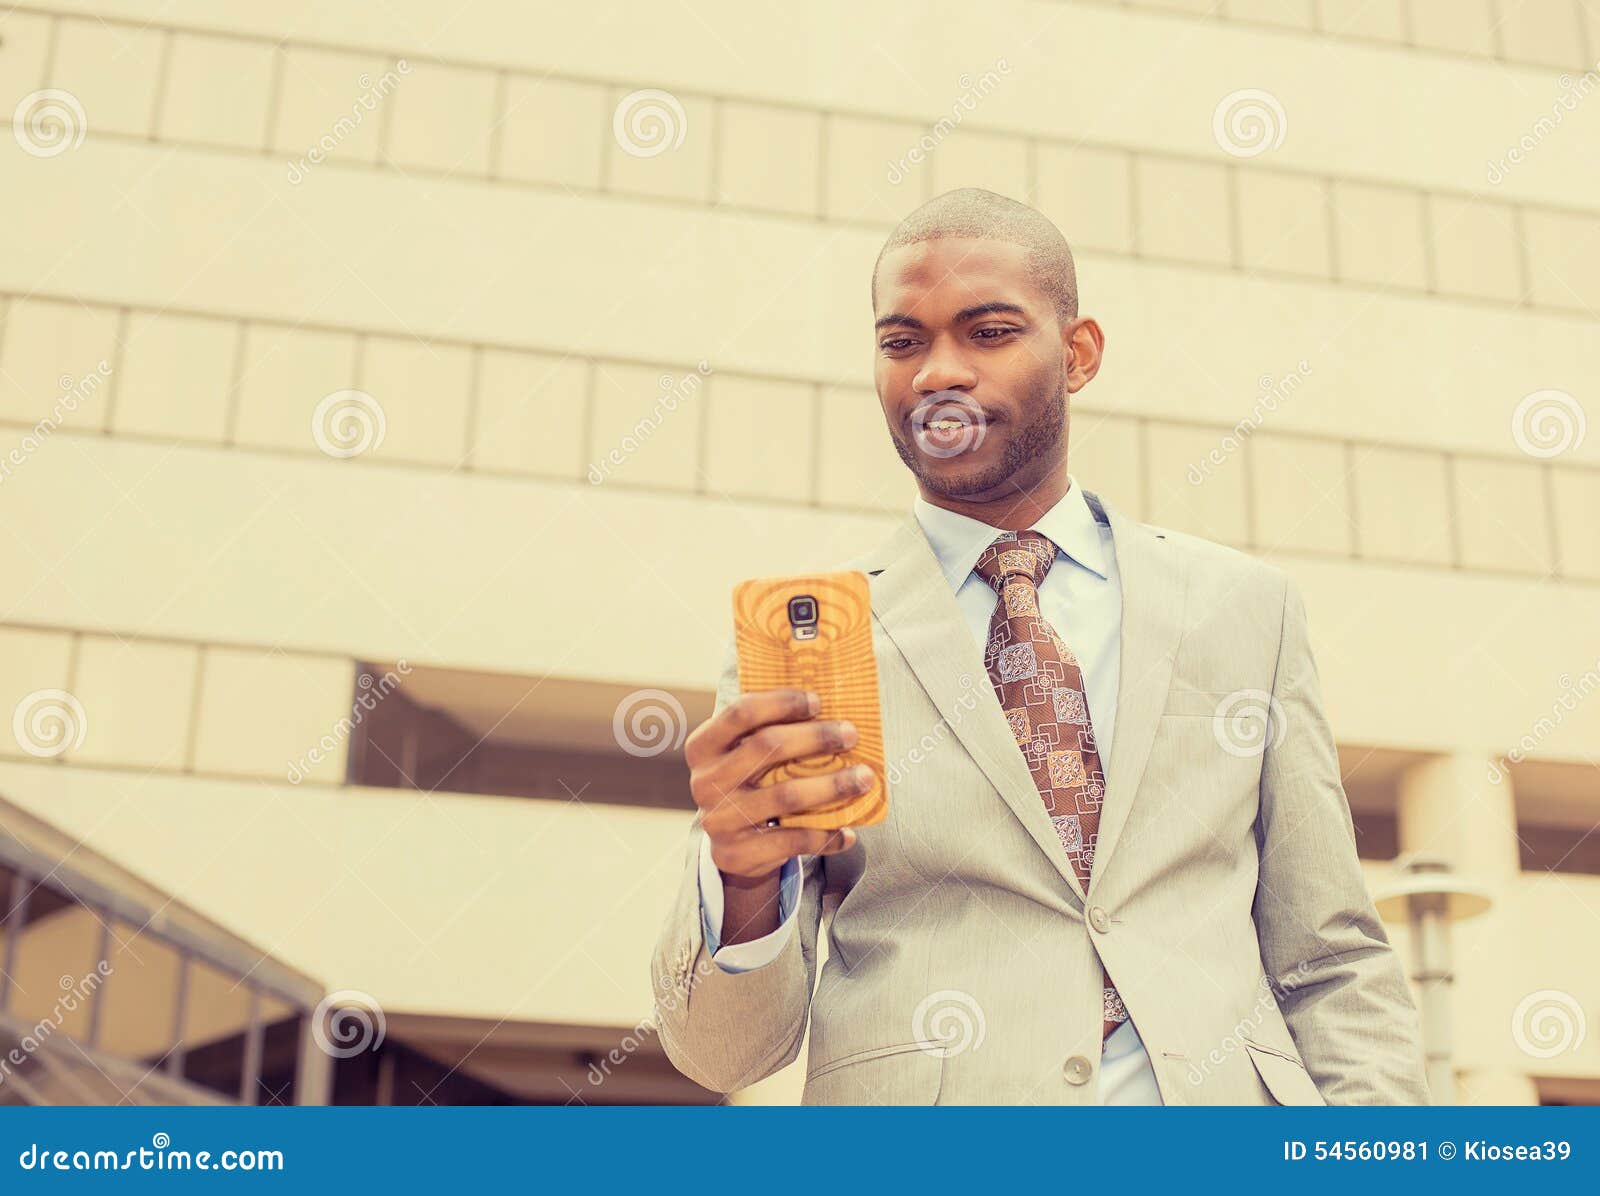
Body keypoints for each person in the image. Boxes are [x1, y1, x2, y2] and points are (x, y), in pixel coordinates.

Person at [649, 187, 1428, 1105]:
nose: (938, 372)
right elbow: (724, 1057)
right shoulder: (808, 645)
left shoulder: (1244, 609)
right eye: (902, 342)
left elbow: (1329, 959)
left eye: (988, 333)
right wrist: (743, 878)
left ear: (1079, 353)